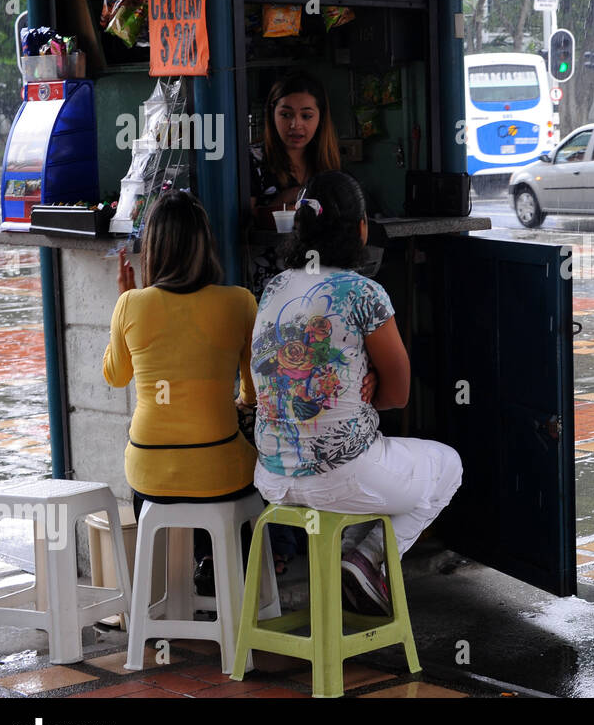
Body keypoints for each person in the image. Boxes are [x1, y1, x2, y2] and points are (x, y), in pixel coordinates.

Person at [251, 170, 462, 615]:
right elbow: (399, 394)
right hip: (341, 478)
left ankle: (357, 554)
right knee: (446, 464)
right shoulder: (364, 294)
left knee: (377, 476)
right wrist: (371, 390)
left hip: (272, 477)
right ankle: (369, 560)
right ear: (361, 227)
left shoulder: (274, 287)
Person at [103, 190, 260, 581]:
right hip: (219, 467)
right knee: (241, 465)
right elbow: (255, 391)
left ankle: (196, 569)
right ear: (205, 245)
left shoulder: (131, 304)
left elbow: (115, 375)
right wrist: (239, 403)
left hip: (149, 472)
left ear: (152, 249)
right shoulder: (239, 302)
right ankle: (228, 577)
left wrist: (125, 303)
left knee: (180, 473)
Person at [247, 70, 342, 296]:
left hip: (321, 284)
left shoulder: (328, 166)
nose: (295, 124)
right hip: (270, 286)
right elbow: (246, 221)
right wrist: (287, 201)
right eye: (286, 114)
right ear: (272, 114)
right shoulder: (252, 160)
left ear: (320, 118)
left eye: (306, 116)